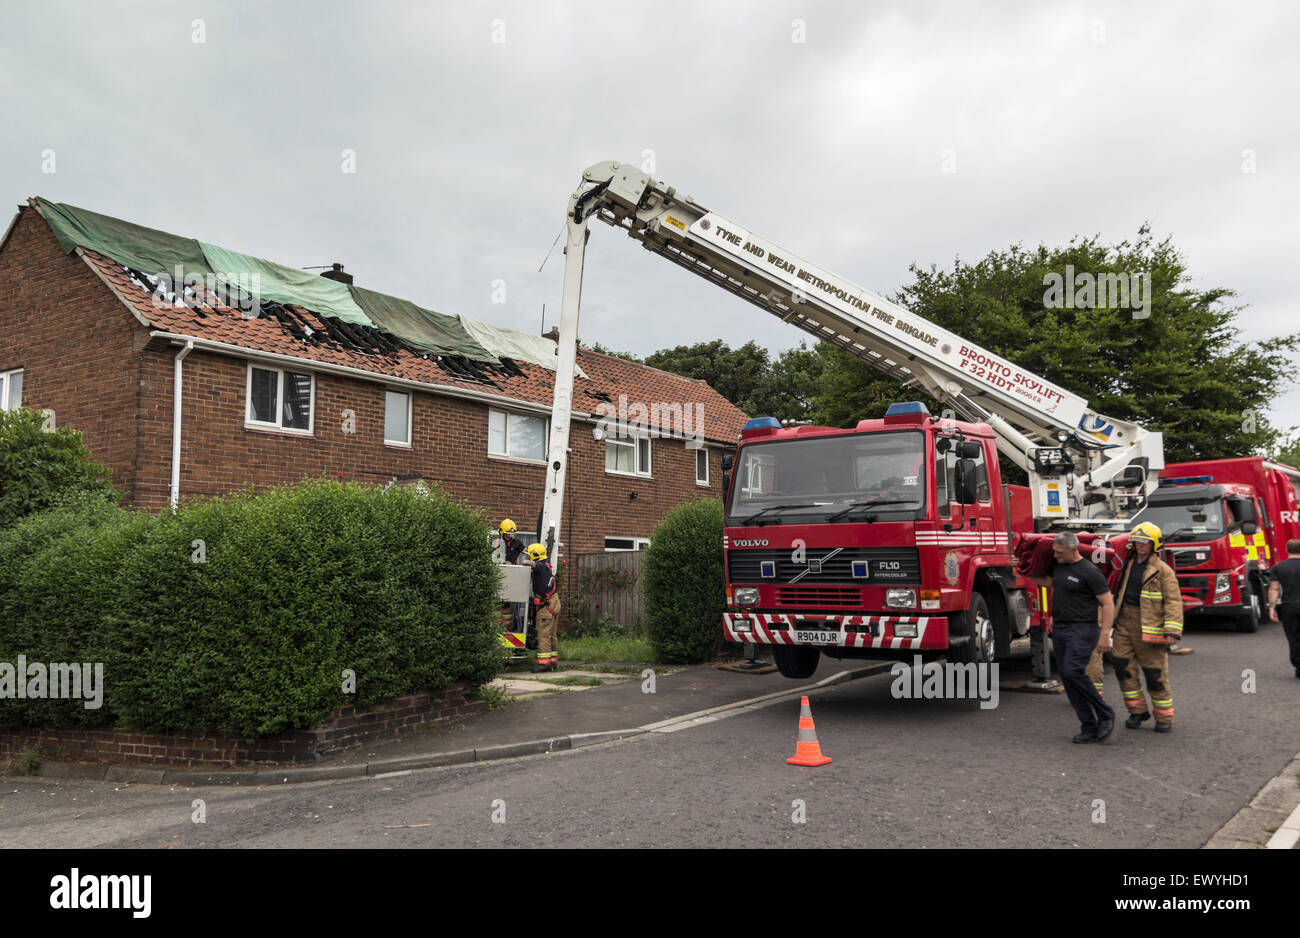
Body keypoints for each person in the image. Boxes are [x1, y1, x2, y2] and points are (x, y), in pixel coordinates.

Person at [1031, 532, 1116, 743]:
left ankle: (1105, 713)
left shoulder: (1090, 572)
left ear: (1073, 549)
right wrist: (1022, 569)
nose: (1056, 555)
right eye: (1054, 551)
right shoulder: (1058, 566)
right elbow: (1048, 583)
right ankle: (1088, 726)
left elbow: (1107, 603)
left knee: (1072, 671)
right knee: (1068, 680)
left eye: (1060, 552)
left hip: (1083, 629)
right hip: (1061, 630)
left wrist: (1105, 634)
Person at [1110, 522, 1183, 733]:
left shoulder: (1163, 571)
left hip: (1150, 626)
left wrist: (1172, 631)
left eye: (1145, 543)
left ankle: (1163, 717)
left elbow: (1173, 601)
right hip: (1124, 622)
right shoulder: (1125, 563)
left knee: (1155, 674)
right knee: (1123, 669)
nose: (1141, 546)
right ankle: (1137, 712)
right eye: (1138, 542)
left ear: (1154, 545)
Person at [1267, 538, 1300, 678]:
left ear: (1287, 550)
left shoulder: (1278, 567)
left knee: (1294, 638)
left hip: (1289, 607)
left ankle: (1299, 667)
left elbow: (1274, 589)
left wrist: (1272, 608)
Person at [527, 543, 561, 673]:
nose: (529, 558)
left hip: (546, 606)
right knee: (551, 635)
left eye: (530, 555)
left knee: (543, 635)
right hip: (553, 603)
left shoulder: (541, 566)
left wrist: (526, 562)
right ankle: (552, 663)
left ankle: (544, 666)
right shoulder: (546, 567)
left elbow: (532, 564)